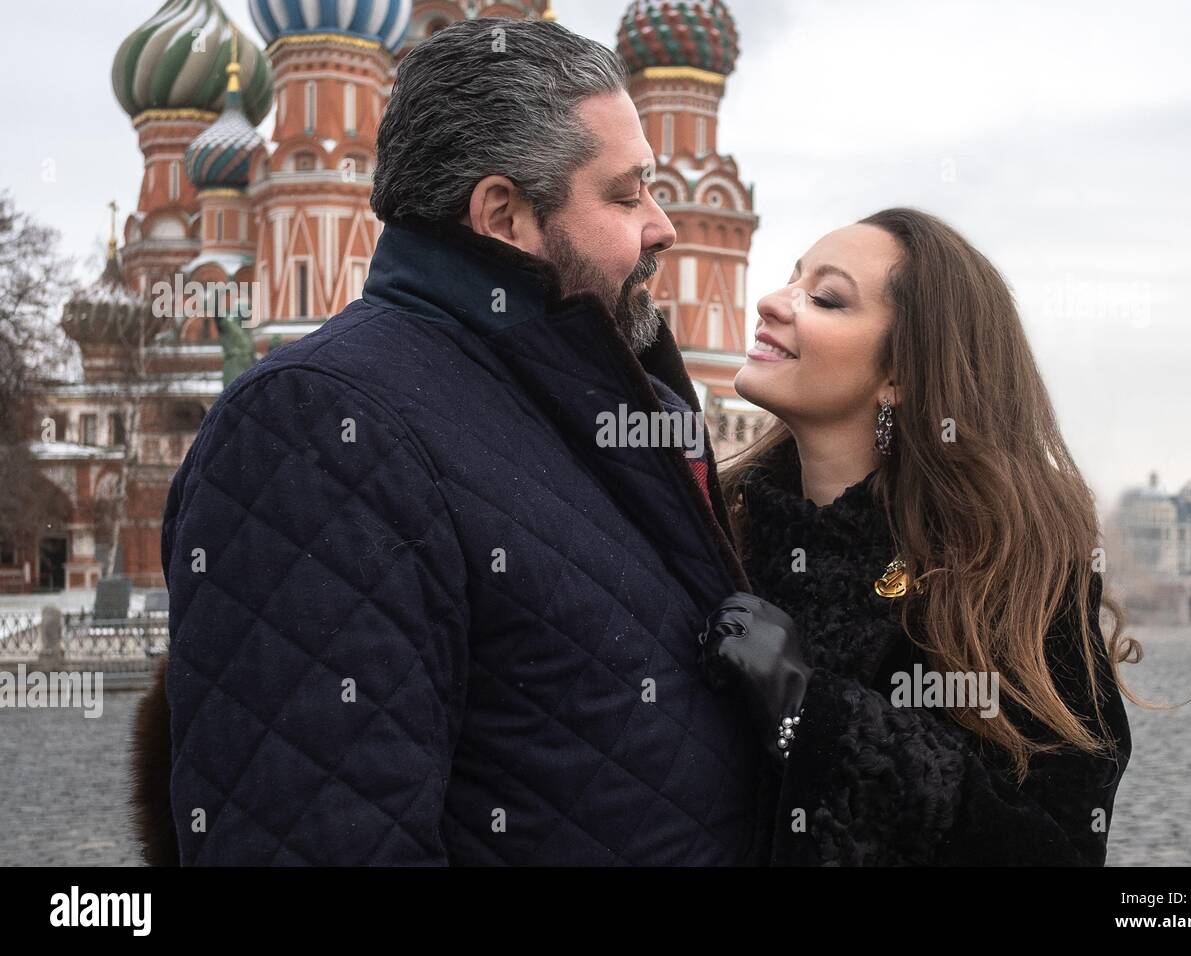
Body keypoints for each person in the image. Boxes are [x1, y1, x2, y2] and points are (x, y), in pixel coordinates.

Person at [131, 18, 768, 866]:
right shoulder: (318, 425)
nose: (663, 227)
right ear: (503, 213)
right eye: (626, 195)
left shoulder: (589, 404)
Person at [699, 208, 1141, 865]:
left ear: (898, 376)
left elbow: (1055, 850)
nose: (769, 302)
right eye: (791, 279)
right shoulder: (712, 534)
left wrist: (812, 715)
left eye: (823, 298)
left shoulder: (1011, 583)